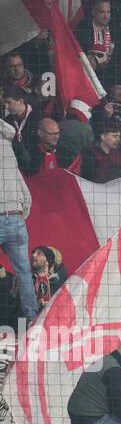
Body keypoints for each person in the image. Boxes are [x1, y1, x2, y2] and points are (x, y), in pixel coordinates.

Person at [0, 115, 36, 321]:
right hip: (15, 219)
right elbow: (27, 196)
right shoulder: (8, 149)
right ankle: (31, 319)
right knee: (24, 273)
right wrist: (19, 217)